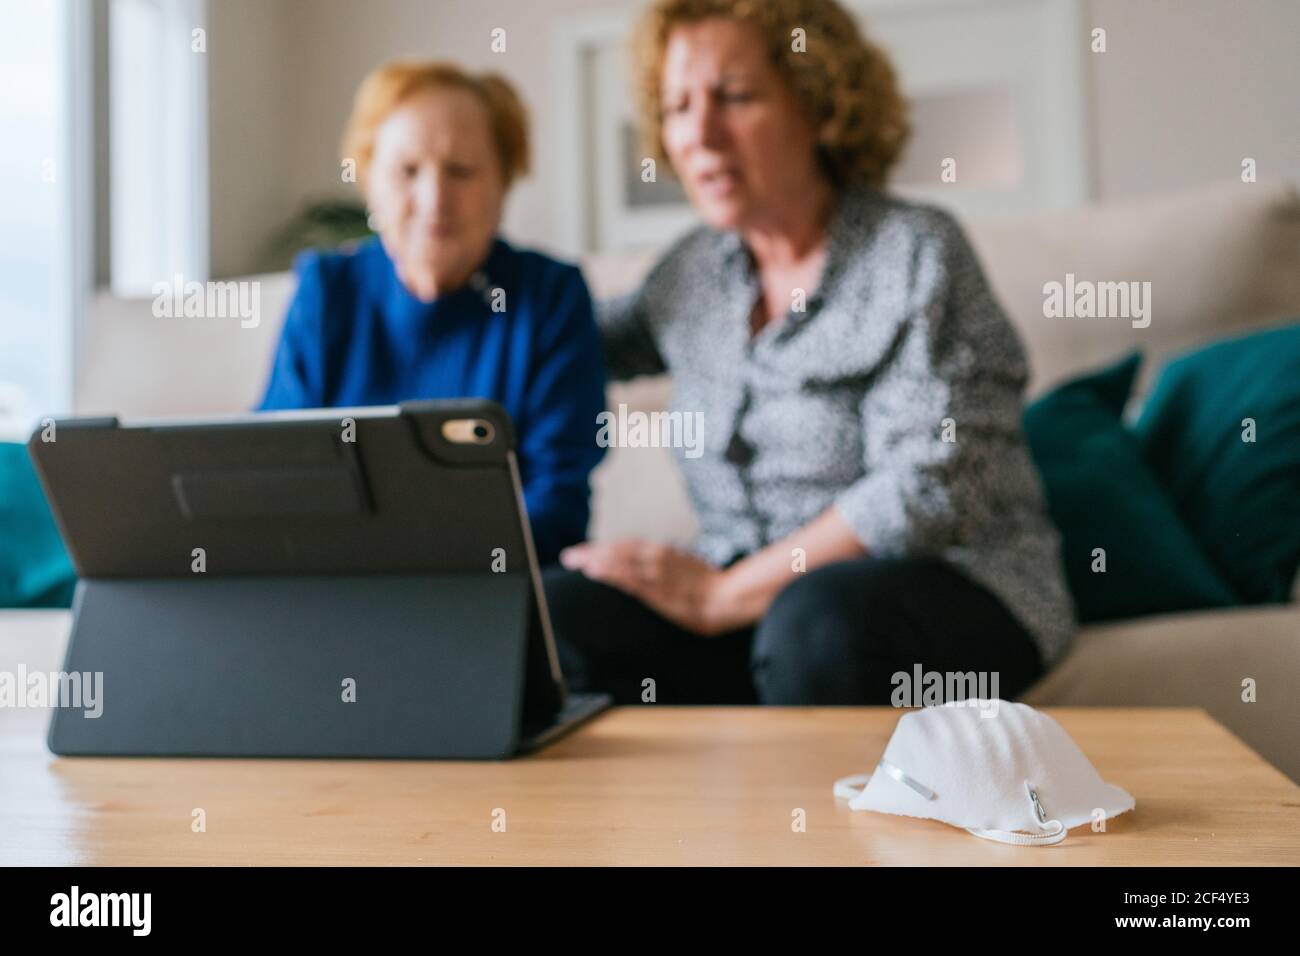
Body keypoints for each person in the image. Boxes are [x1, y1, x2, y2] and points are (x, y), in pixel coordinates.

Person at [544, 0, 1075, 704]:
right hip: (750, 603)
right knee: (559, 614)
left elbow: (930, 486)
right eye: (675, 107)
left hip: (944, 586)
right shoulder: (688, 275)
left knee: (816, 628)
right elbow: (565, 340)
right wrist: (466, 263)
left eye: (734, 97)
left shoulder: (915, 252)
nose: (698, 134)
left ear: (818, 106)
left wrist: (725, 595)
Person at [258, 61, 606, 563]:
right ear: (368, 181)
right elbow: (271, 467)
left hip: (494, 580)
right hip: (332, 581)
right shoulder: (326, 290)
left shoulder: (550, 296)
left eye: (461, 171)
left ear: (503, 185)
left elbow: (558, 504)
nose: (434, 199)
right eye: (407, 170)